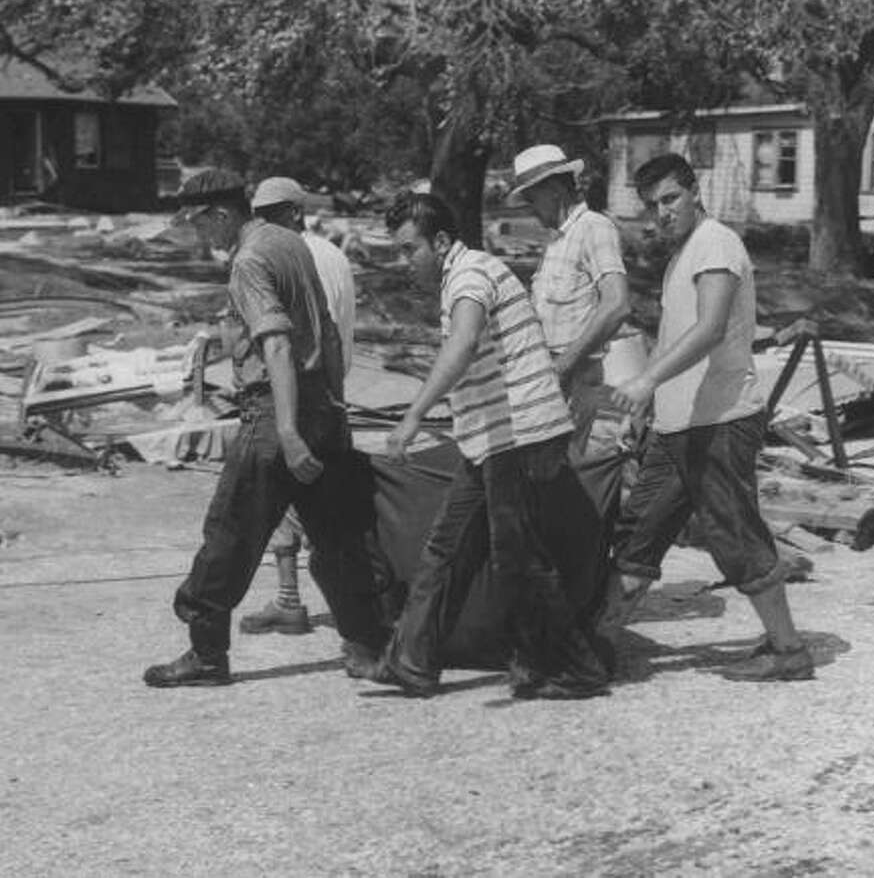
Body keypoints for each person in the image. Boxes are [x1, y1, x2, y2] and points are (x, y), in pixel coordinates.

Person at [143, 169, 385, 687]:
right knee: (337, 538)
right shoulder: (289, 242)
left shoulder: (249, 261)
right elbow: (327, 332)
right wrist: (335, 408)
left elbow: (276, 344)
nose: (200, 235)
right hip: (320, 408)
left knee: (228, 536)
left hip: (275, 417)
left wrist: (290, 432)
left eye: (200, 223)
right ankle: (367, 646)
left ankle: (207, 655)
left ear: (221, 214)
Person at [371, 192, 610, 700]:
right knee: (446, 549)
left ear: (440, 242)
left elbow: (463, 343)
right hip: (490, 438)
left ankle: (575, 668)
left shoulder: (471, 273)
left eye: (410, 249)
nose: (404, 261)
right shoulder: (461, 276)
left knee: (518, 560)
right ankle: (411, 662)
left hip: (520, 435)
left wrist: (413, 416)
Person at [602, 153, 816, 682]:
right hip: (677, 426)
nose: (663, 213)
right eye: (653, 205)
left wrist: (645, 382)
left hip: (719, 420)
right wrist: (647, 401)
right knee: (638, 532)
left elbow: (711, 328)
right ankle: (596, 647)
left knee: (734, 534)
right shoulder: (682, 256)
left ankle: (789, 652)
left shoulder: (716, 243)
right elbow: (672, 339)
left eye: (671, 199)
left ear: (695, 192)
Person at [237, 177, 357, 638]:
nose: (263, 226)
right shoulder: (332, 254)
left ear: (292, 213)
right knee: (325, 507)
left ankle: (300, 601)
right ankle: (353, 614)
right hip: (329, 392)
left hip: (297, 395)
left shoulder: (283, 256)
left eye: (269, 216)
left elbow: (296, 339)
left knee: (289, 503)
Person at [508, 144, 630, 455]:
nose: (531, 210)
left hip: (575, 379)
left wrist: (563, 365)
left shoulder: (594, 228)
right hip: (551, 379)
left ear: (554, 190)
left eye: (532, 199)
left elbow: (617, 304)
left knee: (566, 465)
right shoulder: (558, 239)